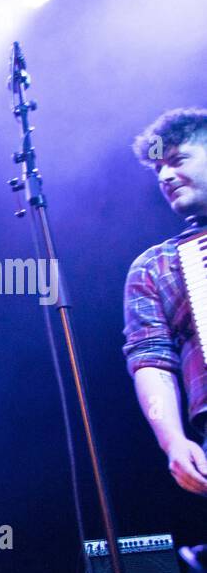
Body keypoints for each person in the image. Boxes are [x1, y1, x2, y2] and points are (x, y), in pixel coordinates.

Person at [124, 108, 207, 496]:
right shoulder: (156, 266)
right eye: (158, 169)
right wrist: (172, 440)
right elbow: (150, 360)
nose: (165, 176)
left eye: (176, 161)